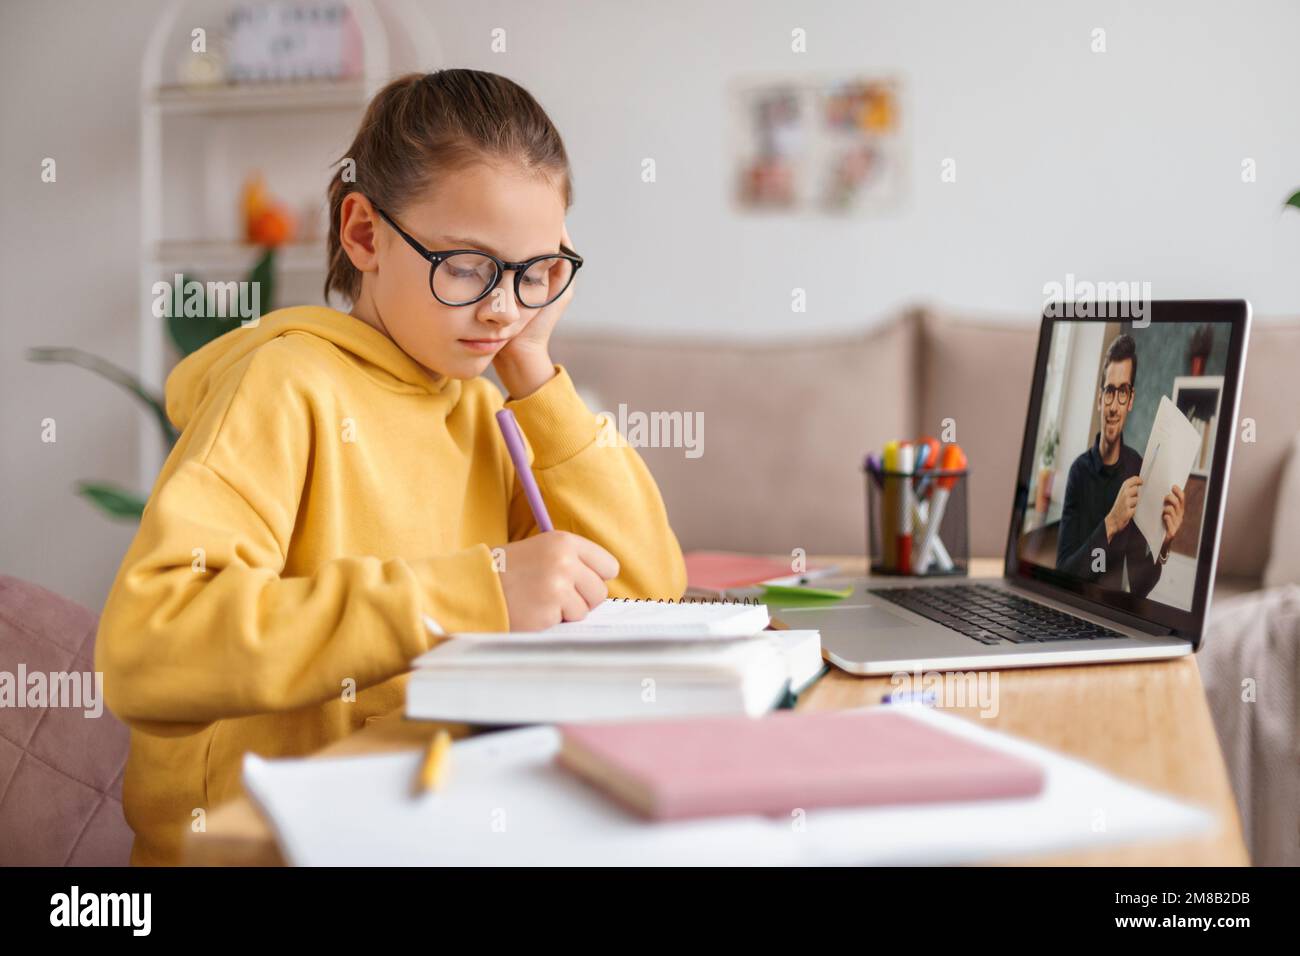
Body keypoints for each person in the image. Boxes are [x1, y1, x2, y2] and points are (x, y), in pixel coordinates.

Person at [96, 70, 687, 865]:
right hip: (264, 846)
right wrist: (476, 593)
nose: (504, 308)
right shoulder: (284, 385)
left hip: (421, 822)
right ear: (365, 235)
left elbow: (649, 587)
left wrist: (535, 370)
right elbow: (150, 649)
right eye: (471, 265)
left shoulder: (485, 406)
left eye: (535, 272)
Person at [1056, 333, 1185, 595]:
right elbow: (1063, 574)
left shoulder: (1137, 468)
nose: (1114, 406)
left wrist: (1164, 545)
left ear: (1131, 399)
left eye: (1122, 392)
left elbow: (1139, 585)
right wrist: (1111, 523)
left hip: (1111, 613)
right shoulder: (1078, 472)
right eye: (1109, 392)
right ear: (1099, 399)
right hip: (1073, 605)